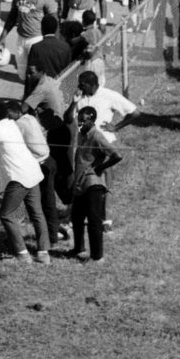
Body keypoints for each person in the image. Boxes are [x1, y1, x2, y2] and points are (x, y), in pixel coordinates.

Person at [0, 113, 50, 264]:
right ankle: (43, 253)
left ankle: (22, 253)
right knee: (37, 213)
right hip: (33, 172)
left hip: (19, 178)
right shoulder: (11, 124)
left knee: (6, 214)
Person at [66, 107, 121, 262]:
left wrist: (99, 168)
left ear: (92, 119)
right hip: (80, 183)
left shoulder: (97, 136)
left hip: (93, 184)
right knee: (76, 218)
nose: (80, 123)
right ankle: (78, 248)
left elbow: (117, 155)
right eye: (79, 120)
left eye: (83, 120)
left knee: (94, 221)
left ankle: (97, 257)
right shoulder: (82, 134)